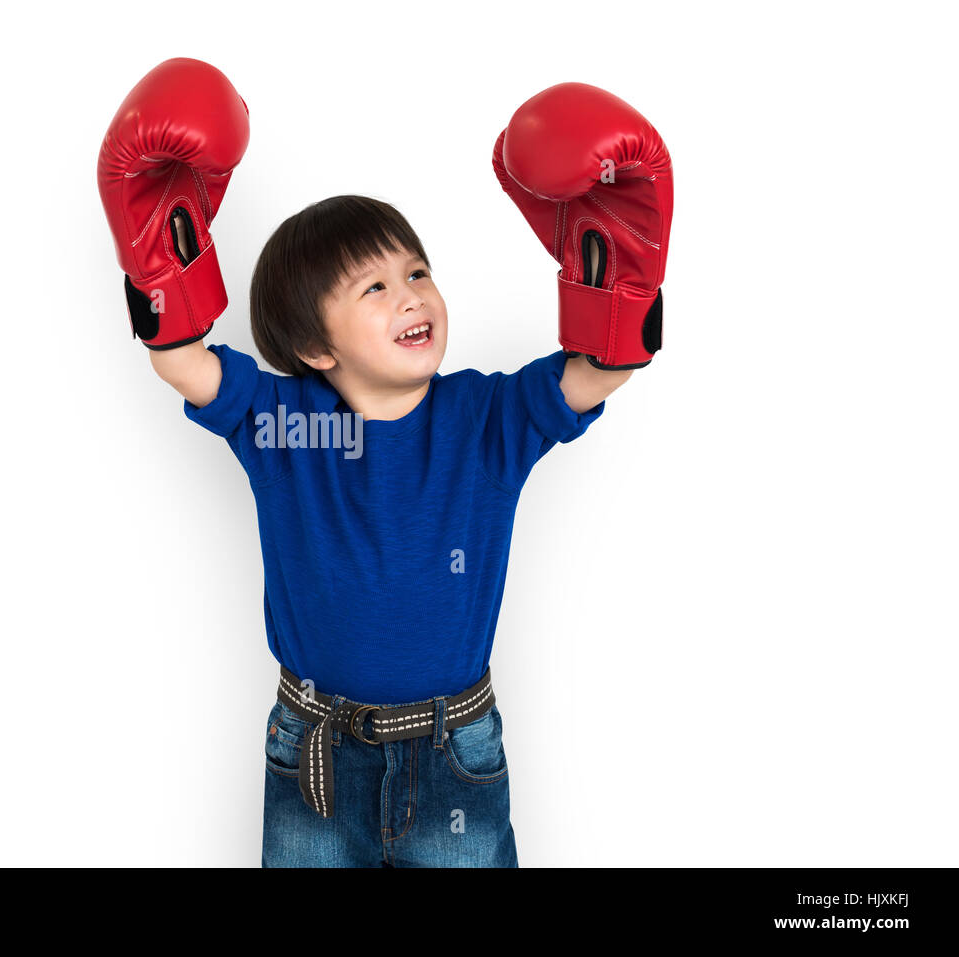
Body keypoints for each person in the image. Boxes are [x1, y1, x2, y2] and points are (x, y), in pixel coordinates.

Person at [98, 59, 672, 867]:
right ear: (313, 346)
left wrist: (623, 280)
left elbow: (596, 373)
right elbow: (187, 365)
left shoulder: (486, 419)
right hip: (316, 749)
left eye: (417, 272)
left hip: (453, 748)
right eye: (374, 287)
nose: (411, 296)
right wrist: (163, 265)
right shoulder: (286, 427)